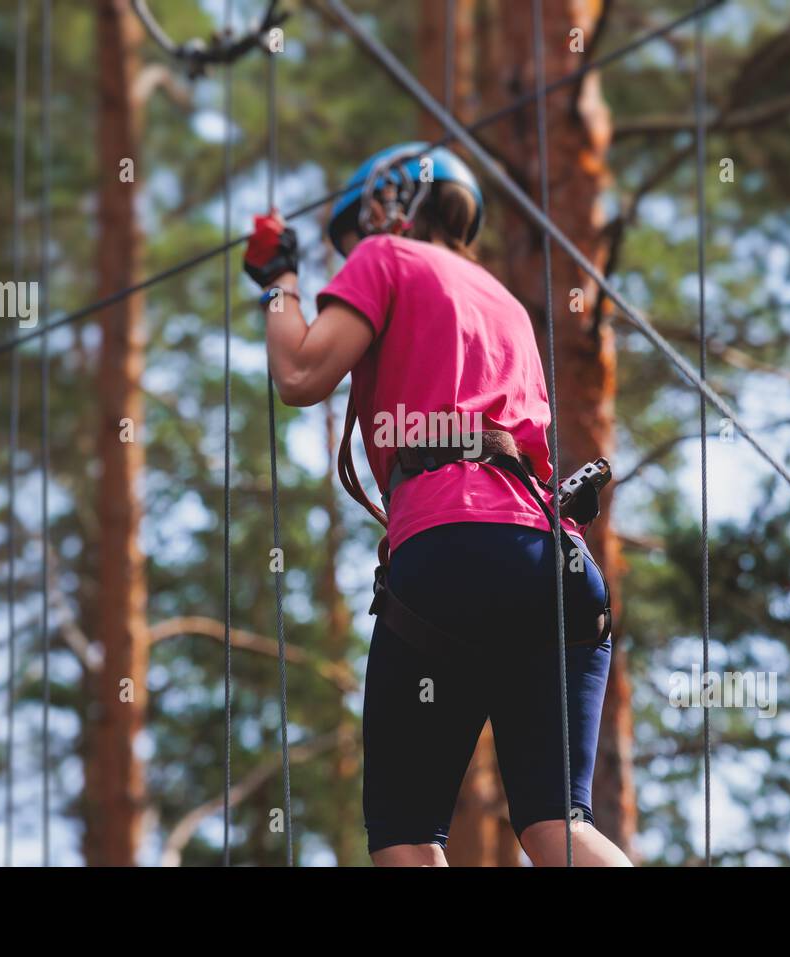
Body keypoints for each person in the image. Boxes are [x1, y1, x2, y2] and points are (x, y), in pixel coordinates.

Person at [243, 143, 631, 867]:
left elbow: (299, 373)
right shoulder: (504, 302)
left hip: (453, 551)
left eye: (352, 237)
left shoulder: (386, 257)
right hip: (553, 561)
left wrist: (280, 281)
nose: (350, 258)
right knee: (558, 825)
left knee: (405, 834)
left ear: (390, 209)